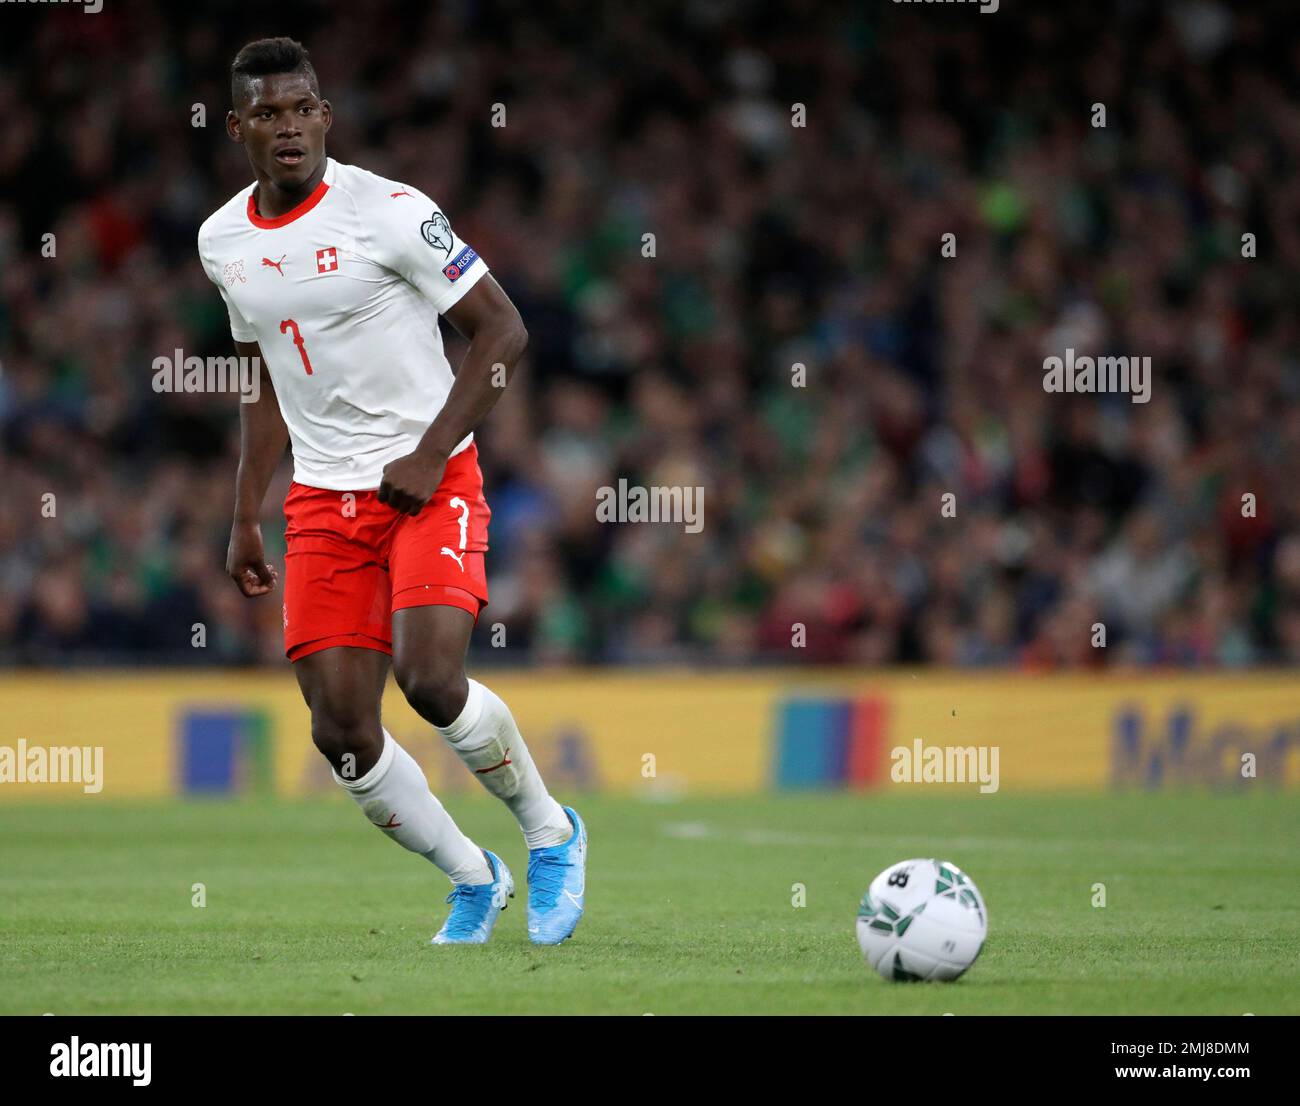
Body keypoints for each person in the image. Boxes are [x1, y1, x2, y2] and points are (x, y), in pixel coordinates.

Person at [197, 36, 585, 946]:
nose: (287, 128)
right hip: (321, 501)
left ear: (325, 117)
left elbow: (504, 334)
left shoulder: (393, 213)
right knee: (341, 731)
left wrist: (429, 451)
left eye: (302, 110)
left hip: (429, 478)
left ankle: (551, 834)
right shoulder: (223, 240)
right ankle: (471, 876)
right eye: (268, 114)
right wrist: (246, 512)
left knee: (429, 677)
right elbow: (261, 377)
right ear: (237, 126)